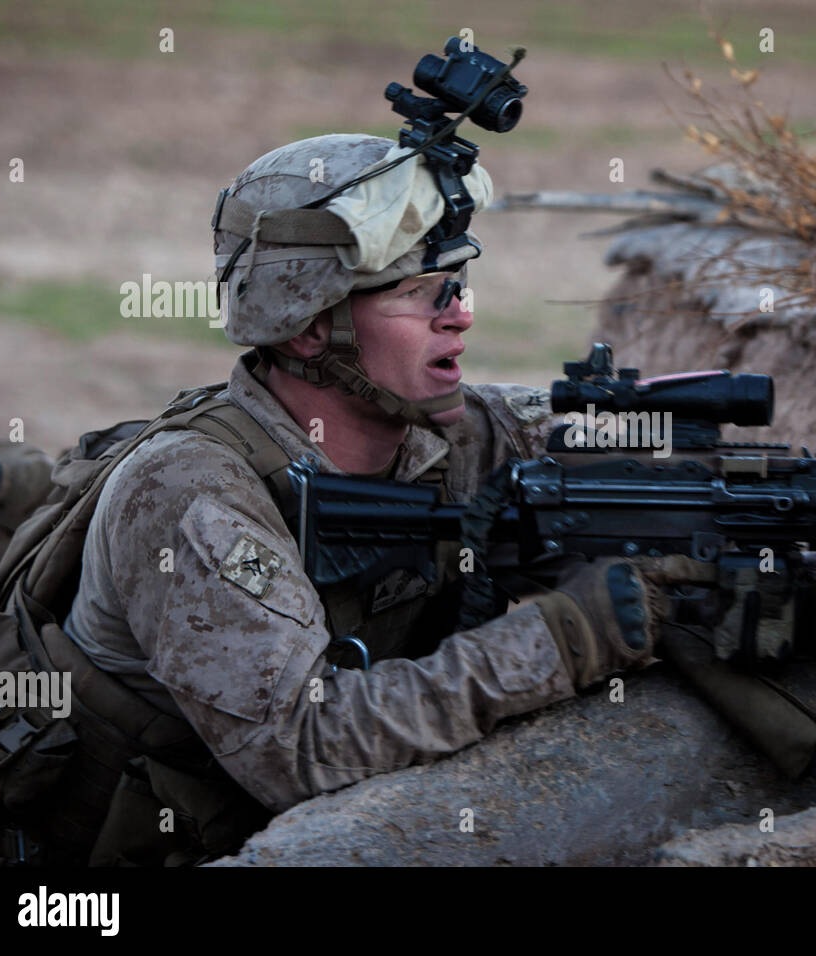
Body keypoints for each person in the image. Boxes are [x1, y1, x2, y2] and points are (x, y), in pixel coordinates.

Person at [40, 133, 663, 864]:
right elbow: (303, 749)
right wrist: (564, 639)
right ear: (311, 329)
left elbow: (637, 462)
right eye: (417, 293)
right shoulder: (192, 490)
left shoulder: (462, 432)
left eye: (457, 283)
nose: (459, 314)